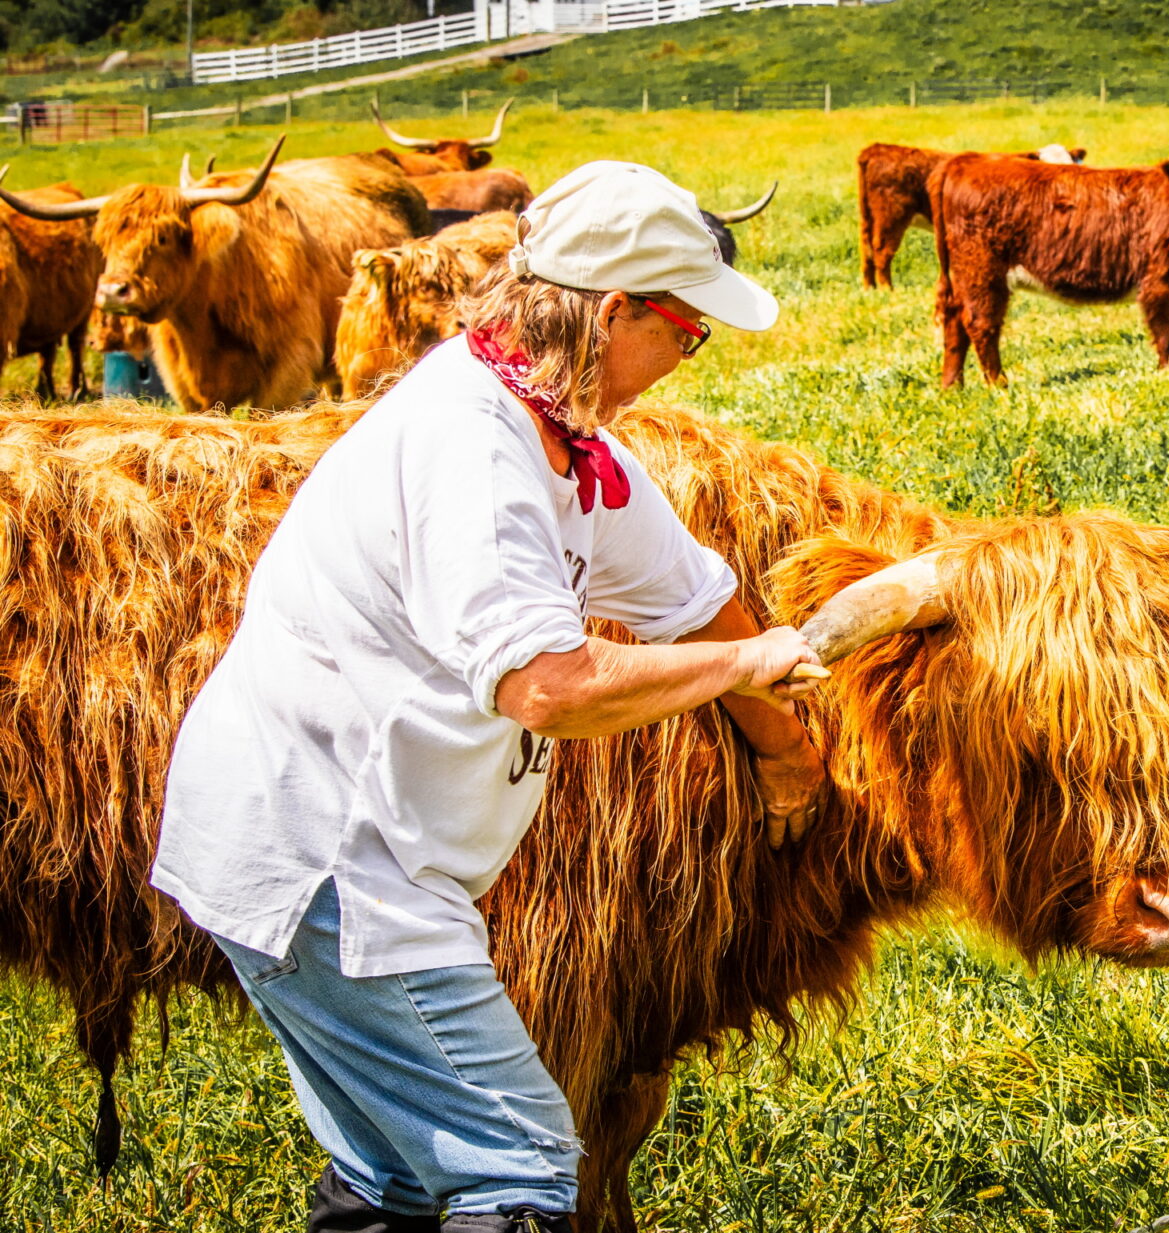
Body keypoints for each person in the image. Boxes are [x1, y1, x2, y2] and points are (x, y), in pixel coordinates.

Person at [150, 162, 826, 1233]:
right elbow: (549, 686)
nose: (687, 359)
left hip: (355, 850)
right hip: (330, 864)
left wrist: (786, 754)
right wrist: (745, 669)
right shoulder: (473, 446)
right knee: (519, 1159)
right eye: (687, 333)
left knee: (396, 1169)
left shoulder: (561, 435)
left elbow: (692, 599)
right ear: (612, 312)